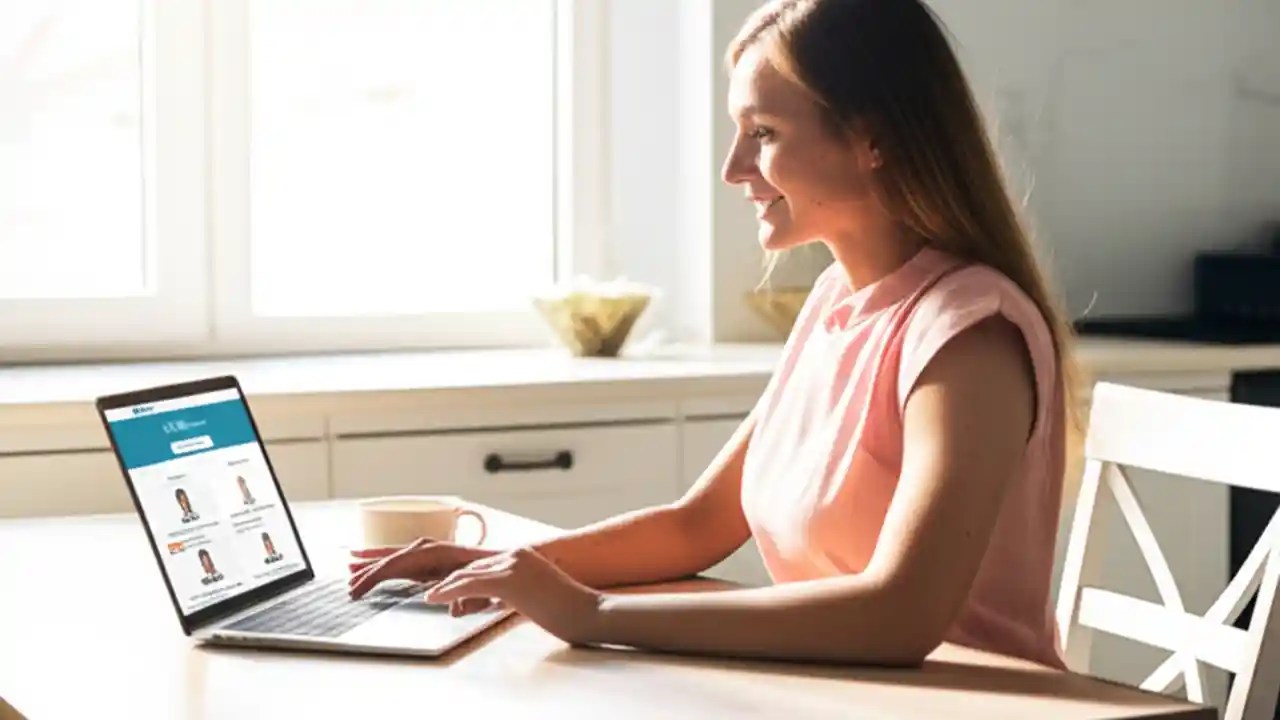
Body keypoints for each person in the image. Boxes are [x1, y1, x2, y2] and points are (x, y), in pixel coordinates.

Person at [348, 0, 1078, 669]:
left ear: (873, 141)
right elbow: (695, 526)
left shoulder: (968, 335)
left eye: (763, 134)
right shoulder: (836, 301)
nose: (734, 171)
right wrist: (498, 565)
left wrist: (594, 614)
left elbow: (901, 615)